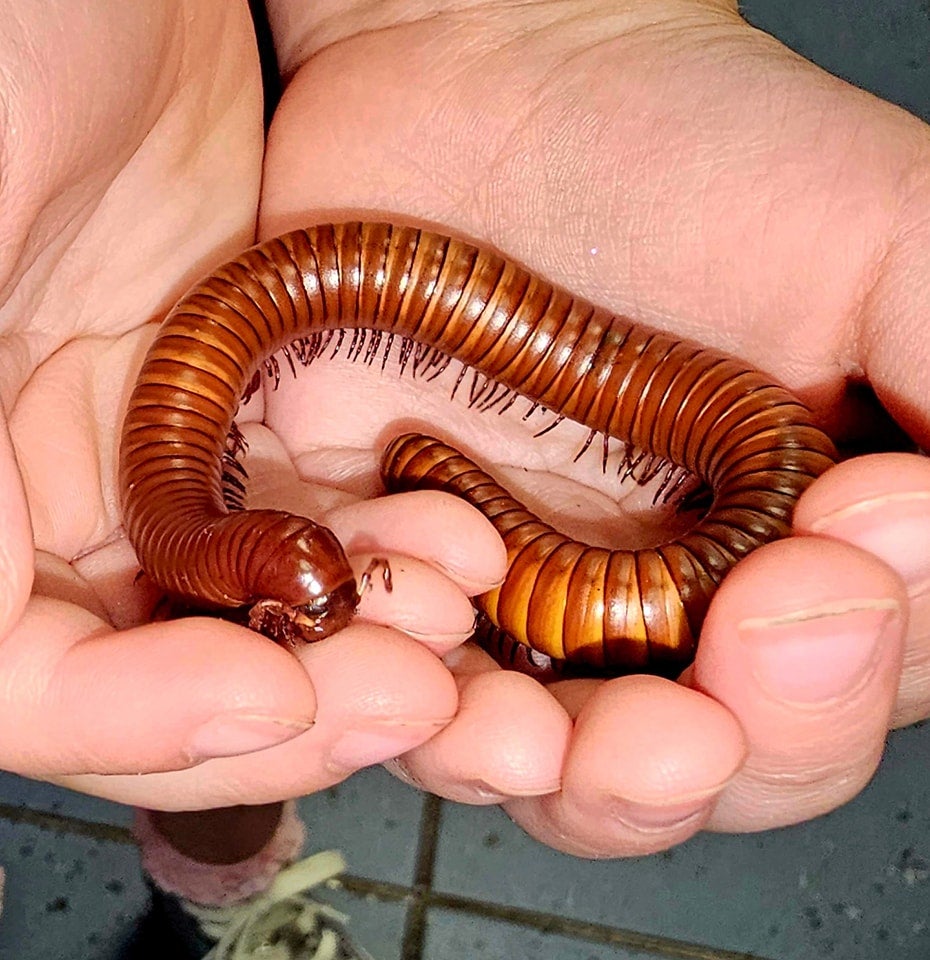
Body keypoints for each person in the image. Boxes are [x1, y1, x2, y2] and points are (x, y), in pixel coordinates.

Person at [1, 0, 928, 955]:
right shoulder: (210, 541)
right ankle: (222, 872)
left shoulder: (205, 539)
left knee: (231, 702)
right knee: (215, 696)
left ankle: (223, 871)